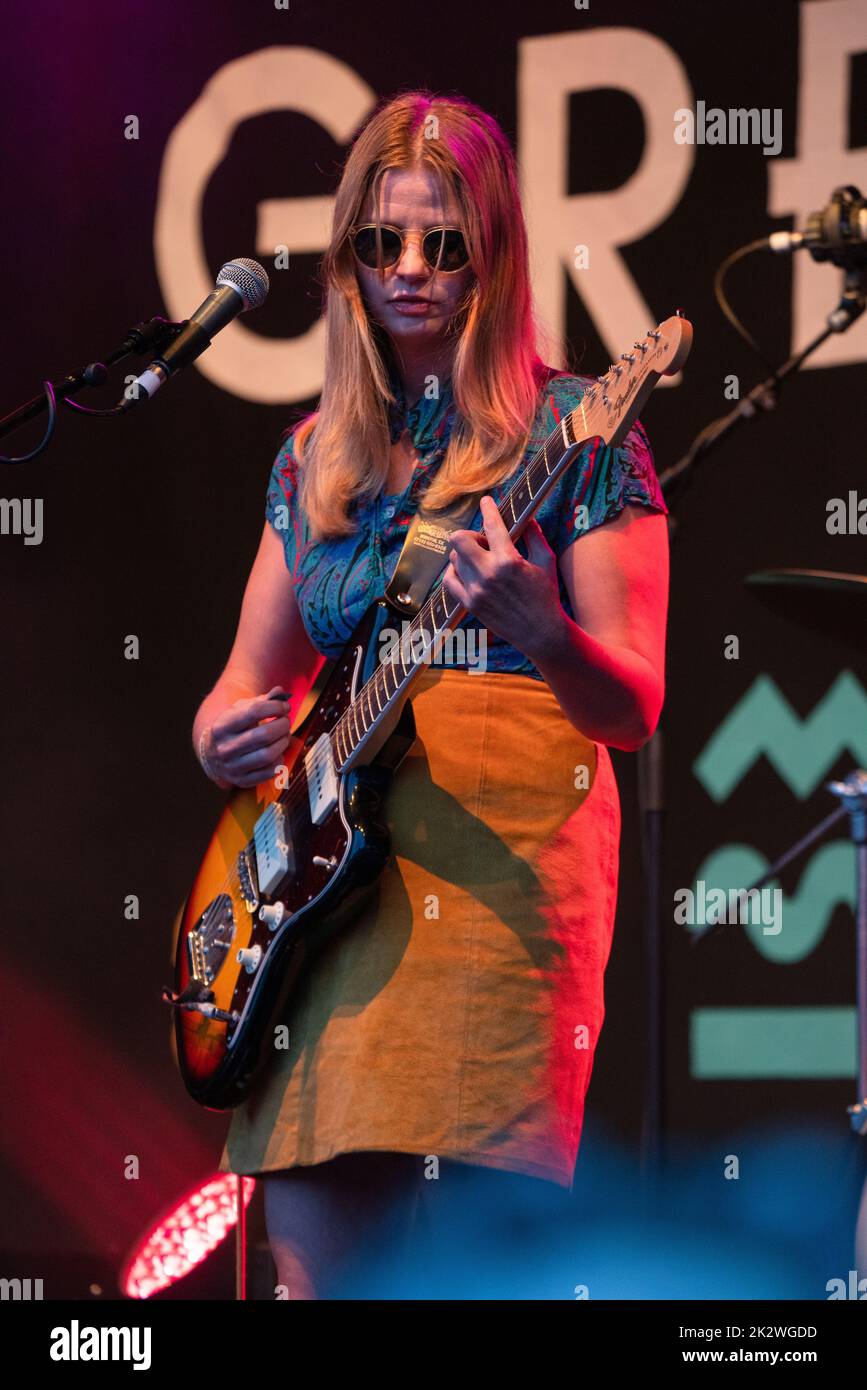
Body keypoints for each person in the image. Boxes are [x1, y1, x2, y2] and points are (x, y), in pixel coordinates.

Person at [194, 90, 669, 1299]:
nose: (409, 268)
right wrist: (218, 729)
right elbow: (251, 680)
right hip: (317, 895)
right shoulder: (314, 457)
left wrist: (540, 628)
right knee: (311, 1283)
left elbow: (634, 706)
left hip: (501, 867)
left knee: (468, 1279)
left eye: (443, 243)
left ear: (494, 255)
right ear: (347, 254)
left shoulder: (578, 429)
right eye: (381, 241)